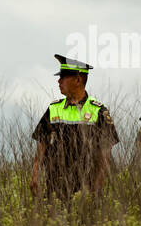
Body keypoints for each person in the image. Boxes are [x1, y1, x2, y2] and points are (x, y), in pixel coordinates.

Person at [30, 55, 119, 200]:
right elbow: (42, 144)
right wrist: (35, 175)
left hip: (86, 187)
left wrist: (98, 184)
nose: (58, 81)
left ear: (78, 80)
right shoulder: (53, 108)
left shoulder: (98, 110)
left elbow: (106, 153)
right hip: (55, 185)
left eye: (63, 77)